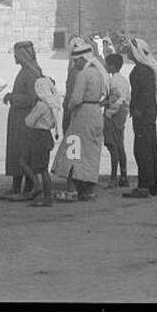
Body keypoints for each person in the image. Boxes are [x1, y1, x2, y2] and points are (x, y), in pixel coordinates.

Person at [52, 37, 107, 201]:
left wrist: (69, 108)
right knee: (90, 152)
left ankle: (72, 189)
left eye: (75, 61)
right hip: (96, 112)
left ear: (82, 59)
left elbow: (75, 98)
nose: (74, 64)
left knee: (72, 150)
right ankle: (88, 190)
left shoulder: (83, 74)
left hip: (82, 114)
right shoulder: (98, 72)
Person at [0, 41, 43, 200]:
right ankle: (16, 187)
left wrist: (13, 97)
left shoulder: (31, 73)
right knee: (16, 151)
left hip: (25, 119)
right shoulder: (25, 71)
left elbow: (33, 98)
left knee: (23, 153)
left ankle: (27, 188)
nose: (14, 57)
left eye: (16, 54)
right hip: (18, 118)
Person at [123, 37, 157, 198]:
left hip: (143, 116)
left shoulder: (140, 71)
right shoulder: (145, 70)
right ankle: (154, 185)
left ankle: (144, 186)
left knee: (142, 150)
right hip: (148, 114)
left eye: (129, 50)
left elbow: (146, 94)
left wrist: (138, 110)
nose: (127, 52)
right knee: (150, 147)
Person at [22, 75, 59, 206]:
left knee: (40, 168)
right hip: (46, 135)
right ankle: (41, 190)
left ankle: (45, 194)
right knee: (42, 167)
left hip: (38, 136)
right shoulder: (52, 103)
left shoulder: (41, 105)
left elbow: (29, 121)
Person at [103, 52, 131, 187]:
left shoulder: (114, 81)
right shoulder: (123, 80)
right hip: (122, 114)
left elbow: (116, 100)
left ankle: (114, 177)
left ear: (112, 66)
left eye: (107, 64)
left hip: (114, 115)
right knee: (120, 146)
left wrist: (108, 112)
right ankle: (123, 175)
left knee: (112, 145)